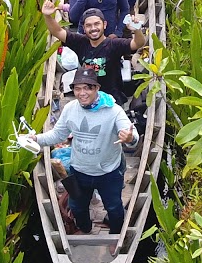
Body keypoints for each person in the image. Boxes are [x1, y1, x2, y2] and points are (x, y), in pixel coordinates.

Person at [25, 69, 136, 234]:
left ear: (96, 88)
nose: (82, 93)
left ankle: (116, 236)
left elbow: (133, 136)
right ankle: (85, 229)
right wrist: (36, 139)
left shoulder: (114, 111)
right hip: (80, 170)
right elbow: (58, 134)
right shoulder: (70, 108)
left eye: (87, 88)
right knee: (77, 206)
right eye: (77, 89)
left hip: (108, 172)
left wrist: (129, 138)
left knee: (114, 207)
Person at [43, 0, 146, 101]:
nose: (93, 28)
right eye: (88, 25)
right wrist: (47, 16)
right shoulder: (80, 42)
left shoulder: (114, 44)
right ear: (84, 28)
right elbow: (57, 31)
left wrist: (136, 29)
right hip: (87, 97)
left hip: (112, 98)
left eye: (97, 24)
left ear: (104, 25)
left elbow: (138, 43)